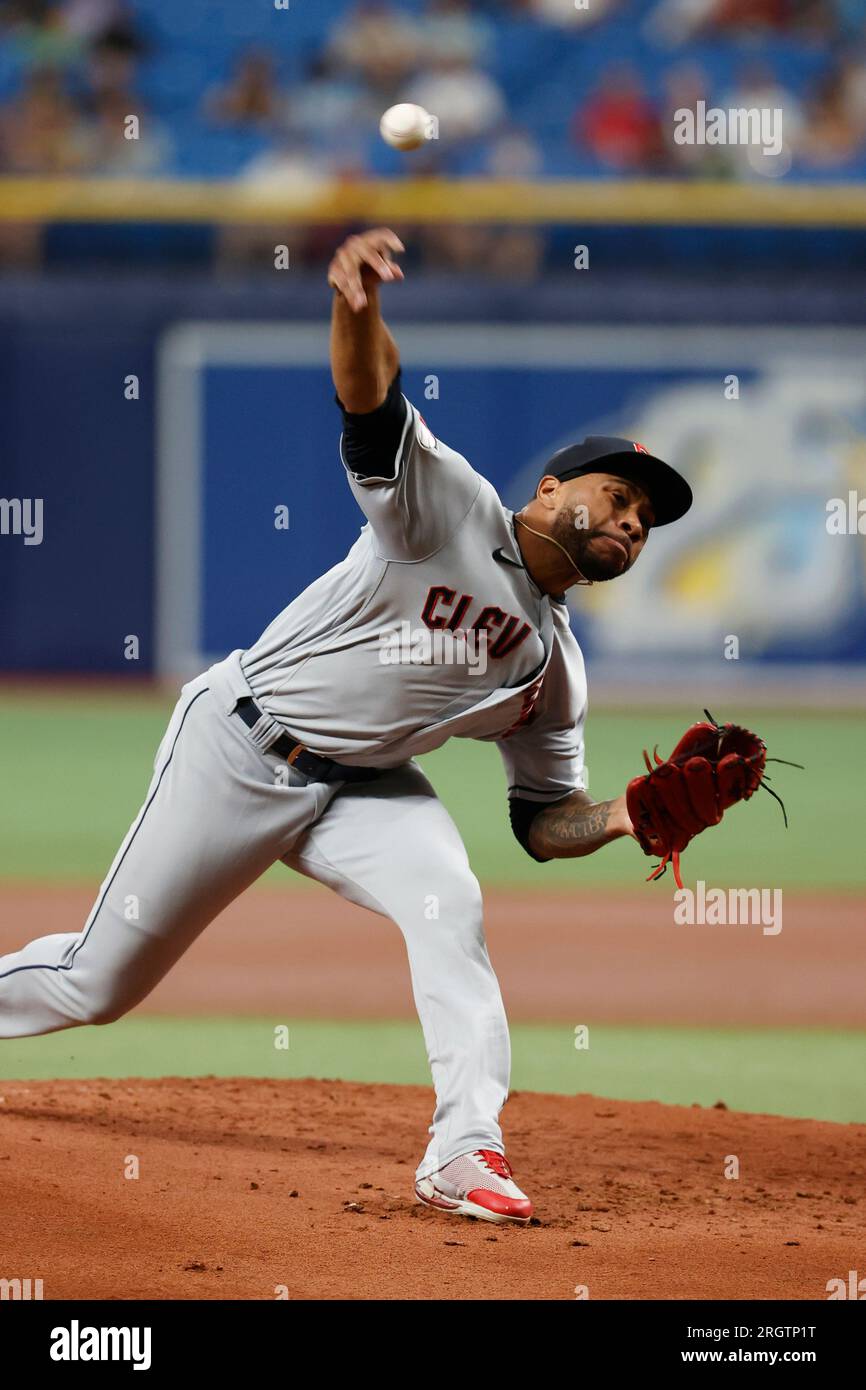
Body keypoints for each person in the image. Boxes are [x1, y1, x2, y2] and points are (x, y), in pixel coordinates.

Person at [0, 228, 692, 1226]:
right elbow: (370, 404)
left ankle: (465, 1150)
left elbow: (541, 819)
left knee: (449, 902)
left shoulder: (554, 664)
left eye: (644, 522)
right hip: (240, 741)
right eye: (617, 496)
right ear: (551, 487)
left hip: (365, 788)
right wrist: (356, 304)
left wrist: (625, 815)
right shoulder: (445, 505)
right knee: (97, 984)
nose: (629, 522)